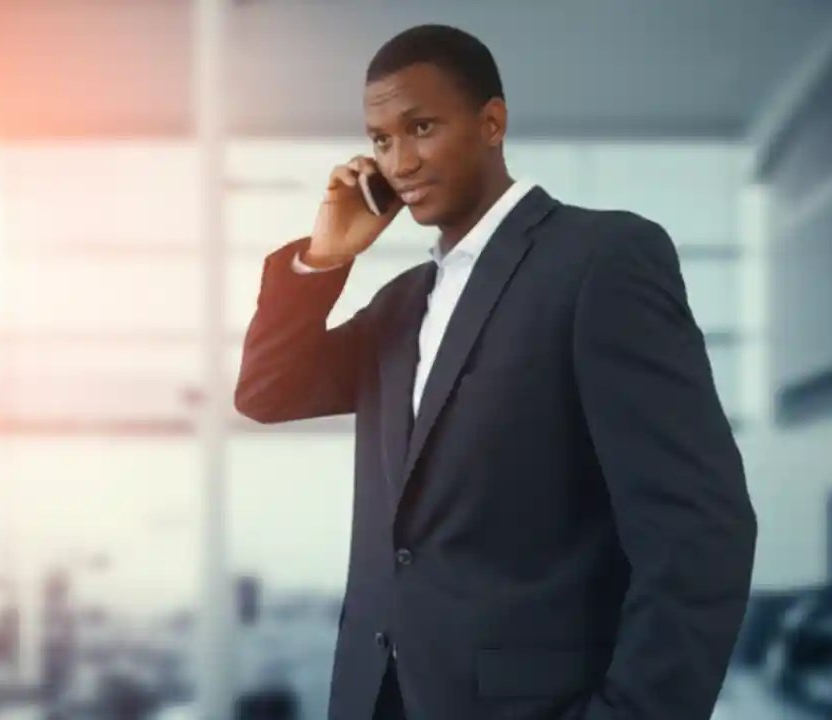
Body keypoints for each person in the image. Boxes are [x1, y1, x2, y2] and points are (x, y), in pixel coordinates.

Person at [235, 23, 757, 720]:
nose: (400, 161)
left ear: (492, 122)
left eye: (421, 127)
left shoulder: (601, 259)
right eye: (381, 140)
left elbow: (700, 531)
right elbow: (270, 391)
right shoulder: (401, 305)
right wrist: (326, 258)